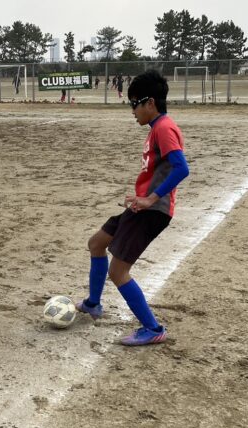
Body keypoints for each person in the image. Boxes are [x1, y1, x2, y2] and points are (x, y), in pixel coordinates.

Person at [75, 69, 189, 346]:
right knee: (96, 243)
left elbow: (181, 168)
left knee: (118, 272)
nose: (132, 110)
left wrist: (151, 198)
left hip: (152, 212)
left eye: (134, 103)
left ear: (150, 102)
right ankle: (93, 304)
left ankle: (153, 328)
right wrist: (142, 196)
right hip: (142, 207)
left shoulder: (164, 128)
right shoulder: (156, 128)